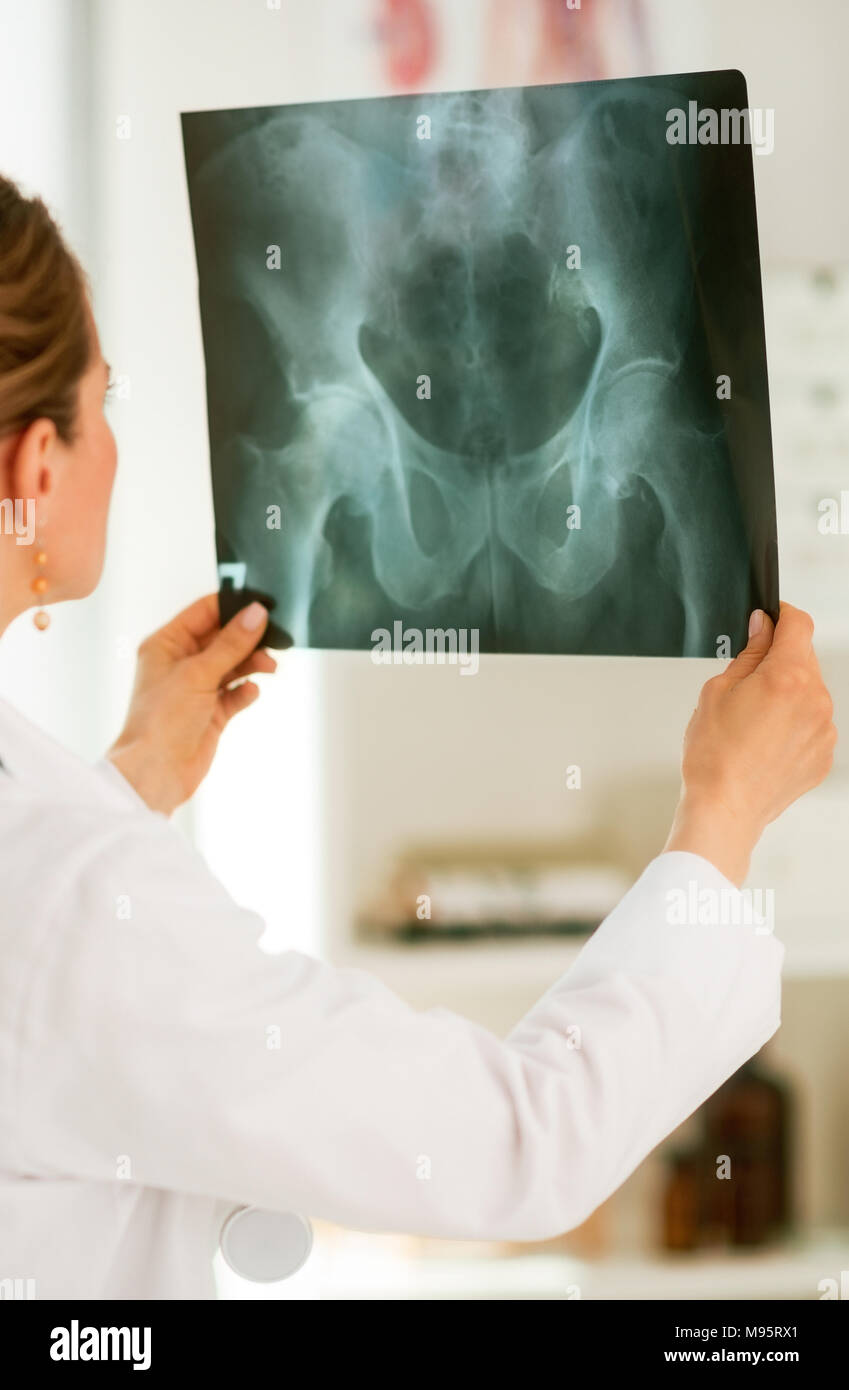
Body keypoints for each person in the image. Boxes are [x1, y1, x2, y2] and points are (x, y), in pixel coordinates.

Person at [0, 175, 836, 1299]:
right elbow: (519, 1147)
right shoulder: (68, 897)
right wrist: (725, 810)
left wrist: (135, 780)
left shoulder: (58, 871)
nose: (117, 448)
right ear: (34, 469)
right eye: (106, 403)